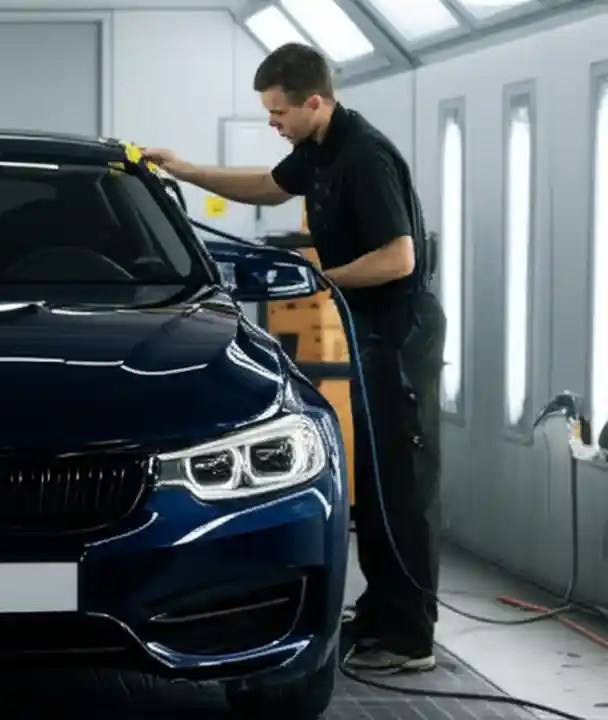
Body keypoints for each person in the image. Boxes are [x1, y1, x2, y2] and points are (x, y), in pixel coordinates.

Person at [143, 42, 446, 674]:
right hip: (370, 331)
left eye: (278, 113)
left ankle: (411, 637)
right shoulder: (317, 149)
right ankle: (383, 612)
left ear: (314, 101)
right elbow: (265, 187)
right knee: (376, 482)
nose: (273, 124)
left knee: (401, 486)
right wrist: (185, 170)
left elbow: (399, 257)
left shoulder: (364, 156)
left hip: (400, 333)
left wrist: (319, 275)